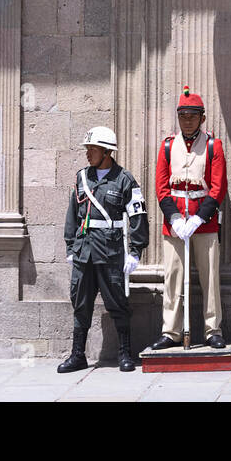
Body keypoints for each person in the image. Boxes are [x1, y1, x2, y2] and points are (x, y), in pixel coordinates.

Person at [59, 126, 148, 373]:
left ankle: (124, 354)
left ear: (107, 152)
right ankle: (78, 355)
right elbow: (72, 214)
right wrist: (70, 246)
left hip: (109, 253)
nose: (88, 154)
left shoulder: (124, 180)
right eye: (87, 149)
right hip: (83, 252)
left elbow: (138, 215)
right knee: (80, 303)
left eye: (93, 149)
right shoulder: (81, 178)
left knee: (118, 302)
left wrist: (135, 251)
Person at [150, 85, 229, 350]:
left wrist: (199, 218)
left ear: (202, 118)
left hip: (203, 221)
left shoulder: (213, 145)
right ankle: (171, 330)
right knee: (172, 276)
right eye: (183, 115)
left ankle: (212, 328)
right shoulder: (167, 146)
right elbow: (161, 187)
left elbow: (218, 188)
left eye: (192, 116)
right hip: (175, 222)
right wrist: (173, 217)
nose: (187, 120)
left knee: (210, 276)